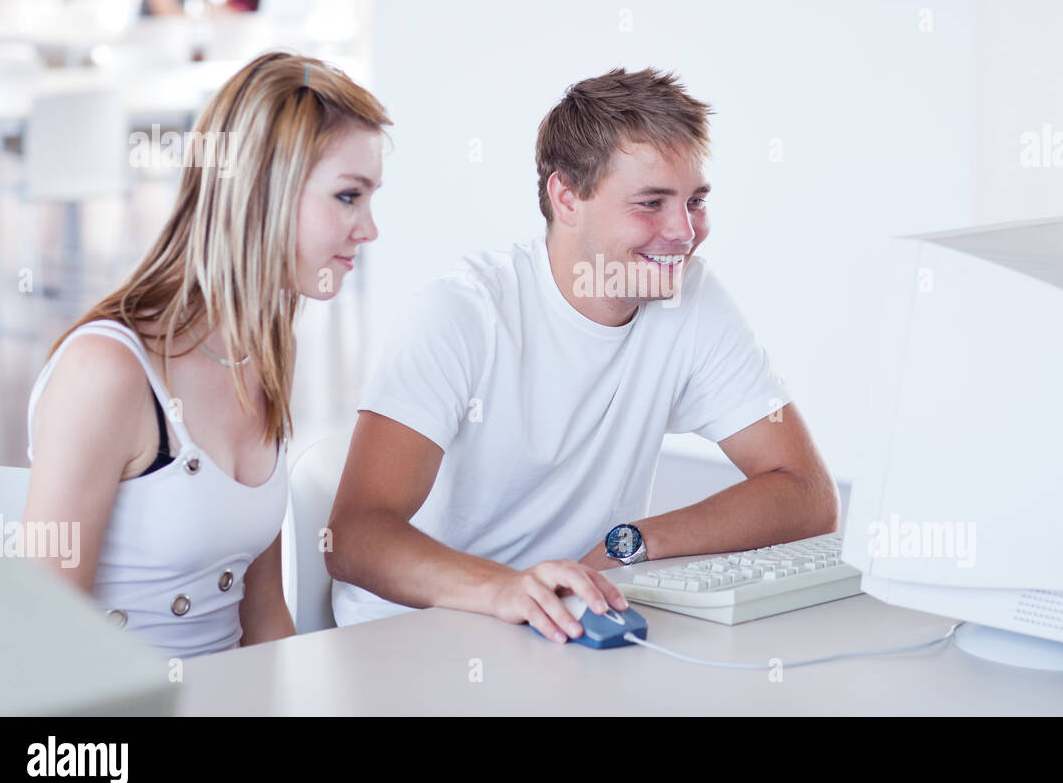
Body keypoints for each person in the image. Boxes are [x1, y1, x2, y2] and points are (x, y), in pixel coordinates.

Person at [326, 67, 838, 643]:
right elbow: (354, 538)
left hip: (568, 630)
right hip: (413, 639)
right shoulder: (463, 313)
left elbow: (807, 493)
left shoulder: (689, 297)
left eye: (695, 201)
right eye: (651, 203)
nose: (683, 232)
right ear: (566, 197)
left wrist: (632, 542)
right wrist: (509, 589)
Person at [23, 52, 391, 659]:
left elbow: (266, 619)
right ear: (260, 193)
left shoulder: (269, 350)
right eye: (348, 196)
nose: (369, 228)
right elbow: (45, 646)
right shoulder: (107, 373)